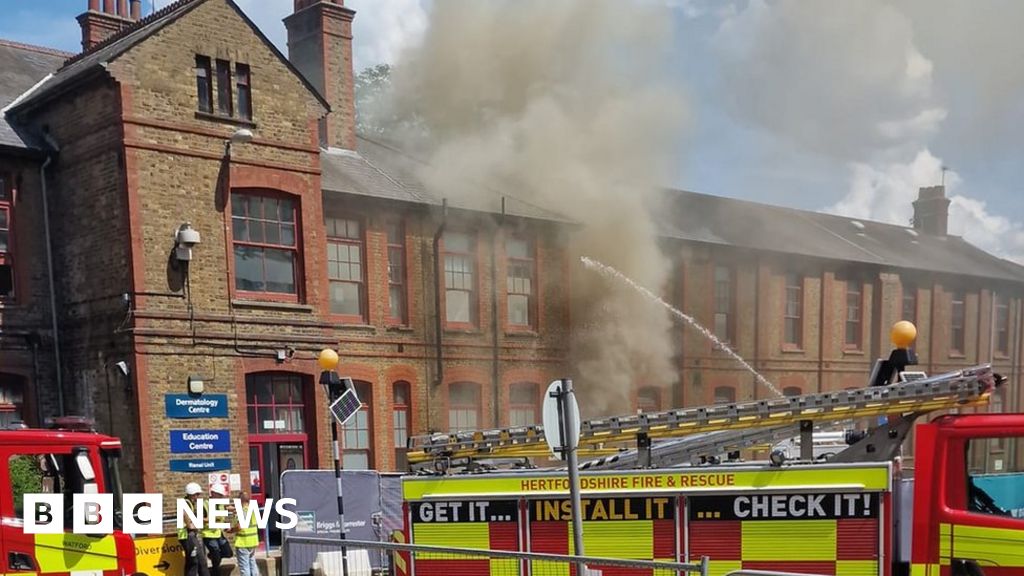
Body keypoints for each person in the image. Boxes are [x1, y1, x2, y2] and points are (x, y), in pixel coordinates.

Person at [179, 483, 210, 576]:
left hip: (191, 535)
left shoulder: (190, 503)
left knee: (198, 561)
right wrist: (190, 525)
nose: (198, 497)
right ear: (192, 494)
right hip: (187, 535)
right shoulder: (186, 503)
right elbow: (184, 513)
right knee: (194, 562)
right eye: (197, 494)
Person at [202, 484, 230, 576]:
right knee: (216, 559)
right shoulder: (204, 504)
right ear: (213, 493)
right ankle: (215, 573)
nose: (221, 497)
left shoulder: (220, 504)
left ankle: (212, 556)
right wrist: (211, 518)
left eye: (222, 495)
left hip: (218, 533)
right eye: (220, 495)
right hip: (209, 534)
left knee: (228, 553)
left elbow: (227, 507)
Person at [230, 491, 261, 576]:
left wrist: (231, 530)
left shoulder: (242, 511)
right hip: (253, 541)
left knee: (245, 567)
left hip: (243, 542)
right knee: (252, 564)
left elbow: (240, 527)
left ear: (240, 501)